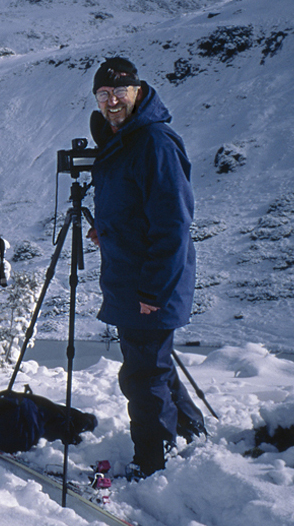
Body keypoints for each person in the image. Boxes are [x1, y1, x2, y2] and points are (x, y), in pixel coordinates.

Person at [86, 57, 205, 477]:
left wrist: (154, 292)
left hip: (149, 286)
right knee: (154, 366)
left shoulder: (154, 141)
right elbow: (136, 208)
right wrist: (108, 230)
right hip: (131, 279)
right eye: (103, 94)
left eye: (120, 91)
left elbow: (173, 223)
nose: (112, 100)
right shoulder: (125, 139)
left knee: (143, 377)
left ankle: (153, 465)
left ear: (138, 91)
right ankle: (194, 435)